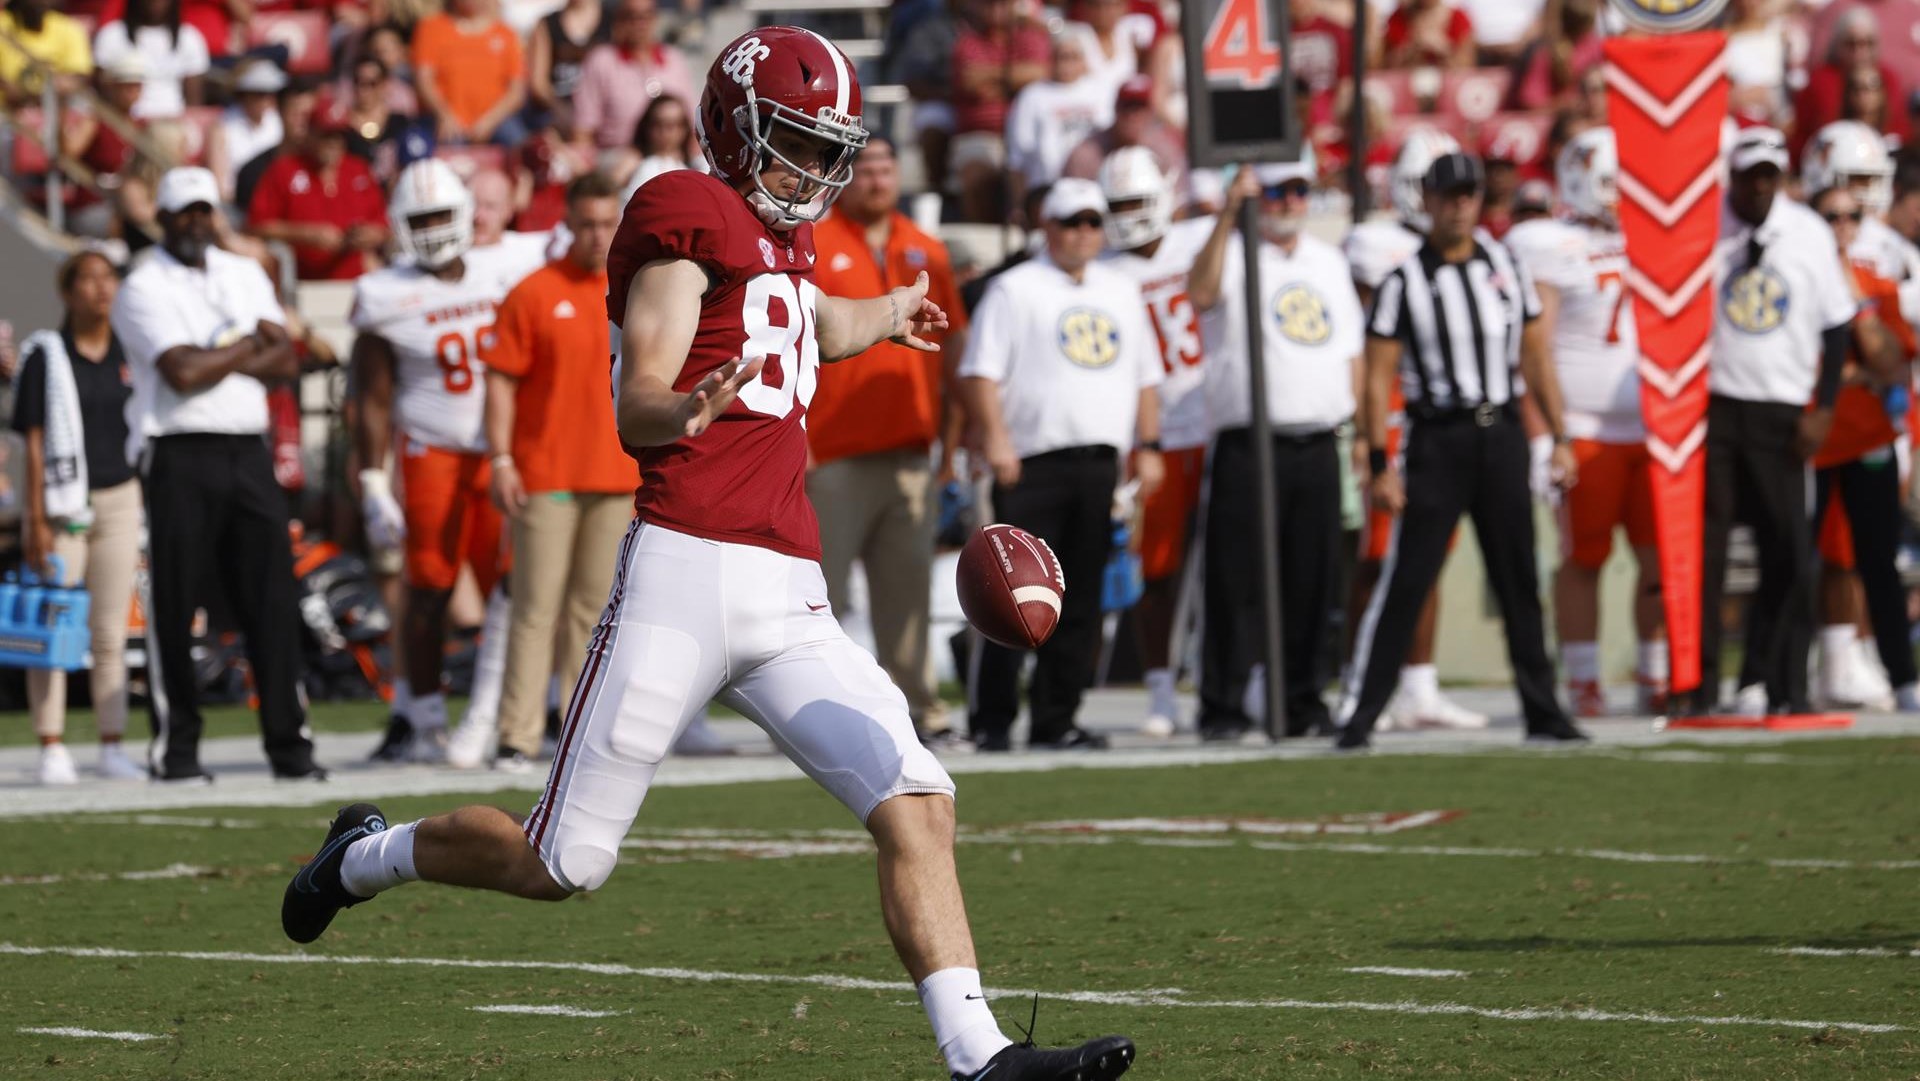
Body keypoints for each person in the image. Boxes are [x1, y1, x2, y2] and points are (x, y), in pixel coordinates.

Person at [280, 28, 1136, 1081]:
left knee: (918, 797)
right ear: (735, 128)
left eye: (830, 147)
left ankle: (981, 1054)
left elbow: (807, 320)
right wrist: (676, 406)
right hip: (682, 570)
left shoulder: (786, 240)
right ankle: (363, 856)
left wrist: (892, 313)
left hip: (789, 592)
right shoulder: (684, 217)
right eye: (796, 142)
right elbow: (638, 390)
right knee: (563, 861)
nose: (815, 169)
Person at [1339, 151, 1587, 750]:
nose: (1459, 206)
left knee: (1518, 577)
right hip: (1438, 439)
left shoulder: (1505, 267)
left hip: (1499, 432)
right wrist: (1378, 462)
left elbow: (1535, 357)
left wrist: (1558, 435)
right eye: (1448, 195)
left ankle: (1543, 709)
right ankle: (1363, 713)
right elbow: (1377, 378)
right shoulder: (1404, 282)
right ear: (1426, 200)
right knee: (1411, 579)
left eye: (1469, 194)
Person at [112, 166, 326, 783]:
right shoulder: (142, 284)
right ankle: (176, 751)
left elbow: (286, 357)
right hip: (177, 449)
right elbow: (181, 373)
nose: (195, 222)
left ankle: (291, 748)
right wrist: (244, 345)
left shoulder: (242, 271)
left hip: (244, 445)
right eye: (184, 212)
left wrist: (230, 354)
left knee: (273, 599)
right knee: (176, 604)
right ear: (164, 217)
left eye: (204, 210)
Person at [959, 177, 1165, 751]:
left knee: (1080, 601)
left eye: (1093, 222)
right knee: (1007, 595)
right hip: (1031, 461)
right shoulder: (1015, 288)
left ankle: (1058, 717)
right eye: (1071, 222)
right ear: (1047, 227)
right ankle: (992, 720)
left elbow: (1147, 376)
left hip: (1099, 461)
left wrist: (1148, 446)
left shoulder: (1121, 289)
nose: (1083, 234)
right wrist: (997, 440)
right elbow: (980, 372)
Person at [350, 160, 520, 766]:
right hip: (430, 454)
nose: (430, 229)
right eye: (419, 219)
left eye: (440, 216)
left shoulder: (508, 264)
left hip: (501, 453)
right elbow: (369, 396)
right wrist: (373, 482)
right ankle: (421, 715)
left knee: (518, 586)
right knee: (427, 588)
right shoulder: (383, 293)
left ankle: (517, 711)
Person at [1187, 160, 1361, 740]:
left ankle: (1304, 701)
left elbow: (1350, 352)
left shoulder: (1328, 261)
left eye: (1298, 191)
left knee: (1313, 582)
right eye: (1278, 192)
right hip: (1248, 438)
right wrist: (1230, 213)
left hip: (1316, 438)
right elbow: (1202, 291)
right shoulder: (1235, 251)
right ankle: (1224, 706)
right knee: (1235, 582)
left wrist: (1356, 431)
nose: (1288, 202)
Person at [1690, 128, 1859, 717]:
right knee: (1704, 555)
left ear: (1782, 178)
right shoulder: (1704, 223)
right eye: (1750, 175)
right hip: (1714, 406)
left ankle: (1779, 680)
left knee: (1788, 549)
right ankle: (1700, 684)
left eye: (1770, 175)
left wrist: (1825, 409)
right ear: (1732, 177)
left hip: (1784, 410)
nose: (1760, 186)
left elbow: (1837, 326)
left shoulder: (1808, 232)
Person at [808, 136, 970, 748]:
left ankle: (919, 713)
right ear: (847, 177)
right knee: (818, 596)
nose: (876, 178)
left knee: (906, 596)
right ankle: (816, 715)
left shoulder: (925, 249)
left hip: (909, 453)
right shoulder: (818, 243)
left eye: (885, 166)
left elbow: (954, 349)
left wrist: (952, 445)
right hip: (833, 454)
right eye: (866, 168)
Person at [1507, 128, 1667, 718]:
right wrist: (1546, 434)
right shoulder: (1551, 243)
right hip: (1586, 428)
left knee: (1658, 560)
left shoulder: (1654, 239)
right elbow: (1535, 347)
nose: (1621, 195)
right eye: (1610, 181)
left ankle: (1654, 674)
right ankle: (1583, 680)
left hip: (1651, 430)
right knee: (1585, 558)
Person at [1340, 128, 1491, 731]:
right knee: (1380, 558)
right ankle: (1360, 683)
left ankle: (1419, 685)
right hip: (1392, 408)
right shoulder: (1373, 245)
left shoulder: (1469, 249)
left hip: (1433, 412)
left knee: (1429, 554)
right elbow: (1374, 345)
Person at [10, 252, 145, 785]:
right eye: (87, 279)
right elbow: (34, 441)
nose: (100, 289)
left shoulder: (129, 350)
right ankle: (52, 743)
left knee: (110, 630)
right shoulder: (47, 354)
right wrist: (35, 514)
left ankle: (111, 742)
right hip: (65, 503)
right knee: (54, 623)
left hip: (120, 497)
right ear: (68, 291)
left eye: (107, 278)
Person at [1093, 147, 1211, 736]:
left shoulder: (1199, 241)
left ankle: (1231, 680)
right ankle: (1161, 688)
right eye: (1119, 205)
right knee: (1157, 570)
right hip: (1156, 434)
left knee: (1227, 568)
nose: (1131, 215)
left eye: (1139, 201)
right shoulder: (1106, 271)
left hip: (1212, 421)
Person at [1803, 182, 1919, 711]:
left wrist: (1858, 303)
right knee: (1801, 560)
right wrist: (1857, 373)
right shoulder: (1796, 282)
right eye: (1830, 217)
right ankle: (1778, 677)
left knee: (1876, 561)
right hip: (1809, 441)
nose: (1842, 227)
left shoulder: (1874, 282)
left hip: (1867, 439)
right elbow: (1793, 366)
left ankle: (1901, 676)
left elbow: (1893, 363)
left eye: (1851, 217)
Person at [245, 107, 389, 282]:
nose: (333, 143)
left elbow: (384, 226)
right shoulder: (284, 170)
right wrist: (306, 235)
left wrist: (370, 235)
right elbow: (256, 227)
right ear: (310, 134)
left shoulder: (358, 170)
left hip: (356, 280)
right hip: (299, 281)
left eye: (338, 136)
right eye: (326, 135)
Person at [949, 0, 1051, 222]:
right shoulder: (967, 42)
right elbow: (971, 81)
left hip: (1028, 134)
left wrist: (993, 77)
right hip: (982, 135)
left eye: (1002, 4)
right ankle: (984, 238)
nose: (996, 10)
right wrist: (1016, 81)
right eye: (989, 4)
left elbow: (1042, 73)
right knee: (974, 173)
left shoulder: (1031, 38)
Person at [570, 0, 697, 161]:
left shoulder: (674, 60)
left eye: (645, 16)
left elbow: (693, 126)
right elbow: (582, 133)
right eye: (631, 16)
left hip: (673, 157)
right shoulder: (601, 61)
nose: (639, 23)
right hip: (620, 158)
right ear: (618, 20)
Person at [1005, 32, 1110, 212]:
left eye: (1072, 57)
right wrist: (1020, 205)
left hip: (1094, 191)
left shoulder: (1102, 92)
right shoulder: (1031, 96)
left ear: (1084, 60)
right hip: (1047, 193)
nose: (1065, 63)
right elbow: (1017, 159)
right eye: (1060, 56)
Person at [410, 0, 528, 146]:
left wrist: (489, 121)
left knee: (522, 147)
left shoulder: (506, 34)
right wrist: (444, 115)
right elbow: (424, 79)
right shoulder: (431, 29)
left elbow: (516, 91)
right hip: (448, 123)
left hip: (497, 122)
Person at [89, 0, 208, 120]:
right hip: (124, 124)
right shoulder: (111, 35)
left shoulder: (190, 38)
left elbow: (193, 101)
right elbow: (102, 92)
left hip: (173, 123)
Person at [207, 61, 287, 205]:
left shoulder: (277, 121)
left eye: (272, 94)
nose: (268, 100)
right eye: (260, 94)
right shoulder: (222, 126)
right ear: (245, 95)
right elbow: (220, 184)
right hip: (237, 202)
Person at [527, 0, 608, 134]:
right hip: (557, 110)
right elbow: (538, 84)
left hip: (601, 110)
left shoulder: (611, 20)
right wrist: (560, 109)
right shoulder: (547, 24)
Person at [0, 0, 93, 106]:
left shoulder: (69, 28)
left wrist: (33, 94)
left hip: (56, 106)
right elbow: (10, 91)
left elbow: (79, 75)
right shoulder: (3, 24)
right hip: (8, 110)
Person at [1383, 0, 1475, 70]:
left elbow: (1467, 70)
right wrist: (1411, 49)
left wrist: (1443, 49)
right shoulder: (1397, 19)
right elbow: (1384, 69)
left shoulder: (1459, 19)